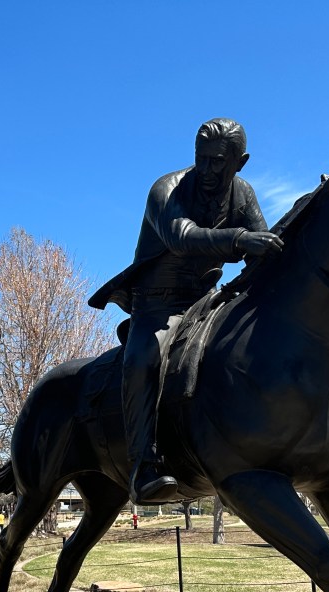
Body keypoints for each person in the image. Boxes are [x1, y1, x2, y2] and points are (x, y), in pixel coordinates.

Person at [89, 118, 284, 505]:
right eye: (202, 159)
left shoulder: (242, 193)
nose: (208, 170)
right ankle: (143, 465)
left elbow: (264, 252)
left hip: (206, 300)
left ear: (239, 162)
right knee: (144, 357)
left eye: (218, 162)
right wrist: (242, 240)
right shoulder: (168, 189)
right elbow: (182, 236)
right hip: (157, 303)